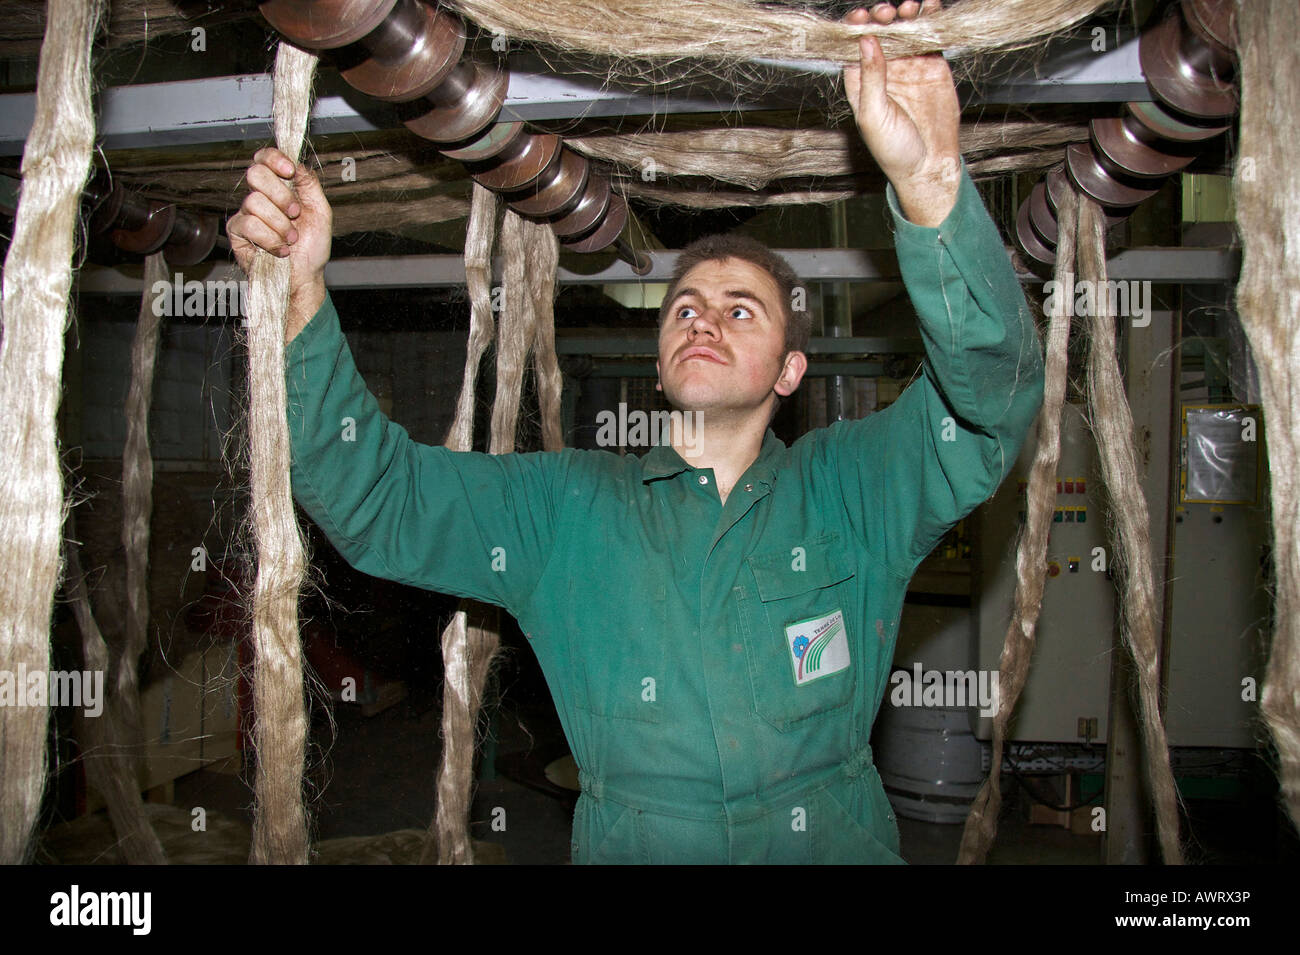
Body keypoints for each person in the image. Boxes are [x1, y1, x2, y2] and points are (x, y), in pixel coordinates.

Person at [228, 1, 1045, 863]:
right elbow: (376, 499)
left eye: (742, 310)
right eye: (685, 307)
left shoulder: (856, 487)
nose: (704, 321)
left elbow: (992, 402)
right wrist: (301, 298)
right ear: (659, 370)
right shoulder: (565, 510)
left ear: (789, 373)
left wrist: (932, 183)